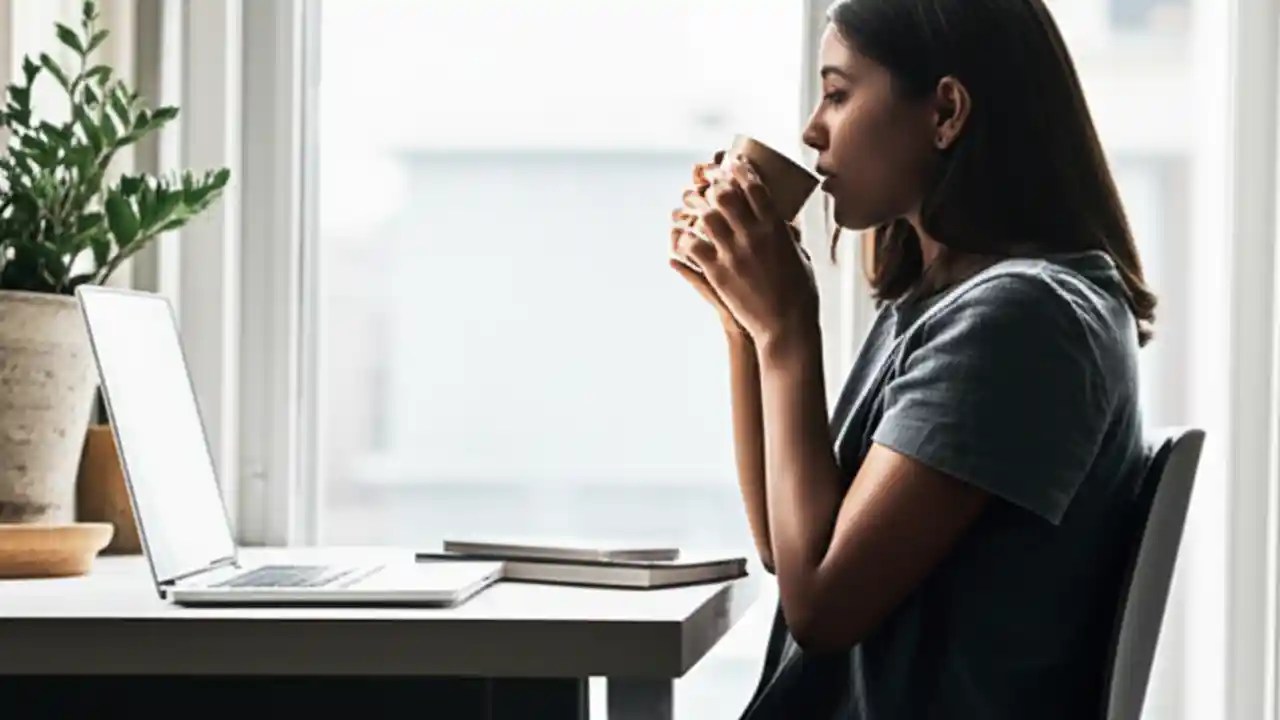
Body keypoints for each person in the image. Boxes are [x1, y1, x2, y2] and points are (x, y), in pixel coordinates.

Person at [668, 0, 1157, 717]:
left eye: (837, 93)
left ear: (946, 111)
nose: (812, 129)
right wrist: (744, 321)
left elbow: (823, 609)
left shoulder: (1020, 321)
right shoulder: (949, 304)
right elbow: (789, 544)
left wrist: (788, 330)